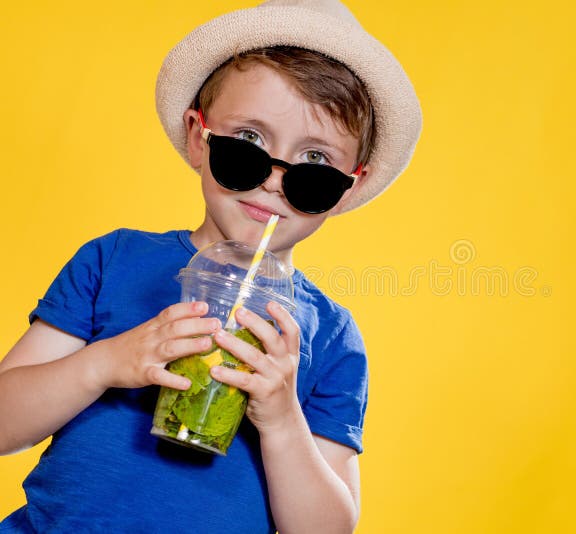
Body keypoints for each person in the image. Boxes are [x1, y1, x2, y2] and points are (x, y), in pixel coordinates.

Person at [0, 0, 421, 532]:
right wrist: (106, 362)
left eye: (314, 162)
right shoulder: (113, 261)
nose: (272, 180)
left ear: (346, 188)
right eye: (249, 141)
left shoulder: (329, 336)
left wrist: (282, 418)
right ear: (200, 138)